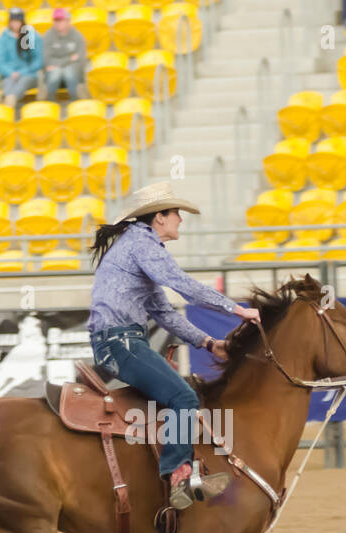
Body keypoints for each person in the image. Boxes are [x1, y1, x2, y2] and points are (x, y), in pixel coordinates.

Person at [87, 181, 261, 510]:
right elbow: (183, 285)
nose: (181, 219)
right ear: (159, 217)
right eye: (176, 212)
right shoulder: (142, 243)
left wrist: (209, 343)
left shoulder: (138, 247)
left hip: (120, 339)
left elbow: (163, 311)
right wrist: (237, 309)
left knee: (176, 396)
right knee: (183, 396)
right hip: (120, 340)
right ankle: (177, 477)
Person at [0, 8, 41, 110]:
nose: (15, 24)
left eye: (18, 21)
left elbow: (37, 60)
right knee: (8, 81)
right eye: (13, 21)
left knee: (23, 80)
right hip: (9, 74)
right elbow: (0, 61)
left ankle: (9, 101)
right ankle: (10, 101)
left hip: (29, 73)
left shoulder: (30, 35)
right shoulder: (3, 38)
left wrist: (22, 72)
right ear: (9, 22)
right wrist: (10, 73)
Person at [40, 7, 86, 101]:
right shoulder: (48, 36)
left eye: (61, 20)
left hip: (72, 69)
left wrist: (58, 64)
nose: (58, 23)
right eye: (56, 20)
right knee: (55, 75)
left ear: (68, 21)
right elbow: (46, 59)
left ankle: (75, 103)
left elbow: (80, 59)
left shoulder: (77, 36)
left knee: (69, 73)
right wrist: (69, 59)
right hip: (54, 70)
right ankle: (50, 103)